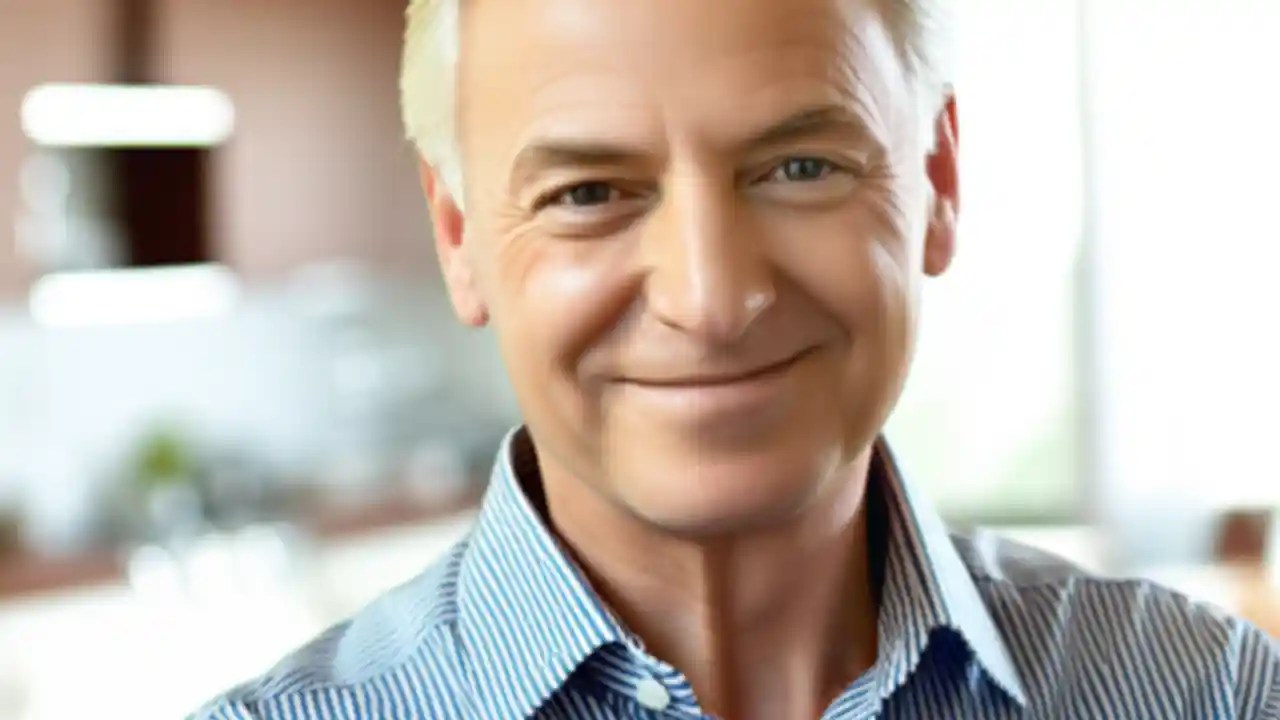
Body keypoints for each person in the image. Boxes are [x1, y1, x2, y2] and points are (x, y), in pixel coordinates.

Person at [195, 0, 1280, 717]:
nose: (710, 301)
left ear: (937, 180)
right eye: (587, 193)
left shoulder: (1207, 695)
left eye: (800, 167)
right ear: (457, 237)